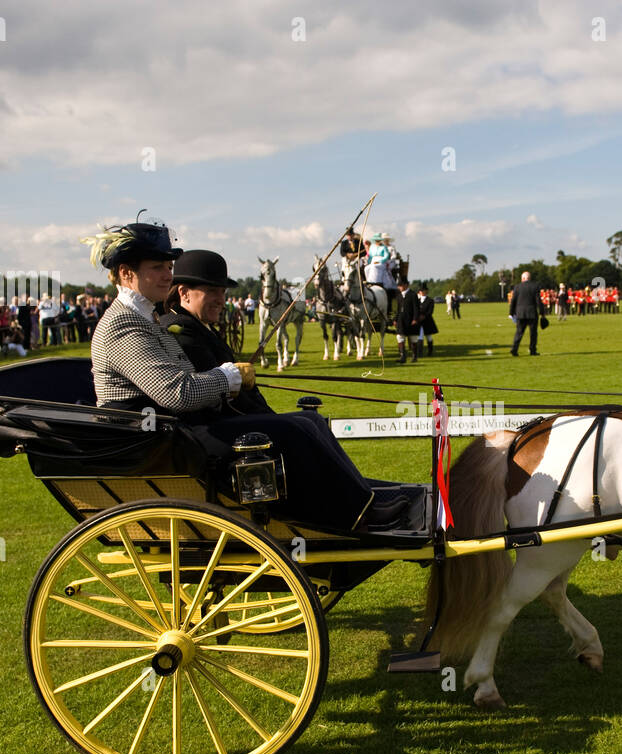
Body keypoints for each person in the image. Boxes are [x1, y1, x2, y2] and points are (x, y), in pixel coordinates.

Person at [85, 216, 411, 532]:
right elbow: (178, 393)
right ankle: (354, 516)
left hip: (175, 432)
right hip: (159, 442)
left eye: (169, 267)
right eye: (157, 268)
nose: (168, 275)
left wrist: (224, 382)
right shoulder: (123, 323)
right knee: (292, 430)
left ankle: (361, 502)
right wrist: (228, 378)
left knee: (305, 423)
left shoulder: (144, 318)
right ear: (126, 273)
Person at [158, 249, 273, 416]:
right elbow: (221, 398)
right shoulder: (179, 330)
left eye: (223, 292)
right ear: (184, 293)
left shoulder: (203, 326)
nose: (221, 300)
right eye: (212, 291)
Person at [508, 271, 545, 356]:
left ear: (522, 278)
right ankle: (532, 350)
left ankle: (514, 349)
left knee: (519, 332)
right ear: (529, 278)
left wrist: (511, 313)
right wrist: (542, 313)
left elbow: (513, 301)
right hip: (532, 312)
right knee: (533, 333)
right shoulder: (535, 286)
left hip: (520, 313)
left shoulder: (517, 287)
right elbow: (538, 301)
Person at [395, 279, 419, 363]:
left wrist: (415, 319)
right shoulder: (399, 296)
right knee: (400, 337)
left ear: (405, 285)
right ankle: (403, 357)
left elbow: (416, 308)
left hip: (411, 320)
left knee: (413, 339)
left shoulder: (413, 295)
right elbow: (397, 309)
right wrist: (395, 319)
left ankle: (414, 356)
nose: (399, 287)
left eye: (400, 286)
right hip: (401, 320)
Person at [416, 283, 437, 356]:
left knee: (428, 337)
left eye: (423, 290)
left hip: (427, 321)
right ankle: (419, 352)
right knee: (419, 336)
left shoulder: (430, 300)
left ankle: (430, 351)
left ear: (426, 291)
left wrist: (424, 316)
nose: (422, 292)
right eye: (421, 291)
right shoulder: (417, 300)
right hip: (419, 322)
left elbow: (430, 311)